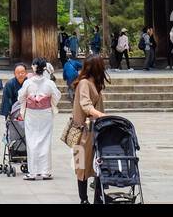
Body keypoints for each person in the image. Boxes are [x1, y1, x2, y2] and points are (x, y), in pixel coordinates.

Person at [70, 55, 109, 203]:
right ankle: (84, 199)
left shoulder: (94, 83)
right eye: (102, 65)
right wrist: (102, 115)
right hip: (82, 132)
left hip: (93, 130)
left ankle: (97, 197)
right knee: (81, 167)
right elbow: (85, 105)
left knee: (97, 164)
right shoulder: (84, 83)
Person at [15, 58, 61, 180]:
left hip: (31, 113)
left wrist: (30, 101)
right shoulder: (49, 83)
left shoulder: (28, 82)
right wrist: (48, 102)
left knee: (31, 140)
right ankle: (45, 171)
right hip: (45, 113)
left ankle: (33, 172)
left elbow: (20, 97)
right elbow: (56, 96)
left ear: (34, 67)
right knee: (45, 141)